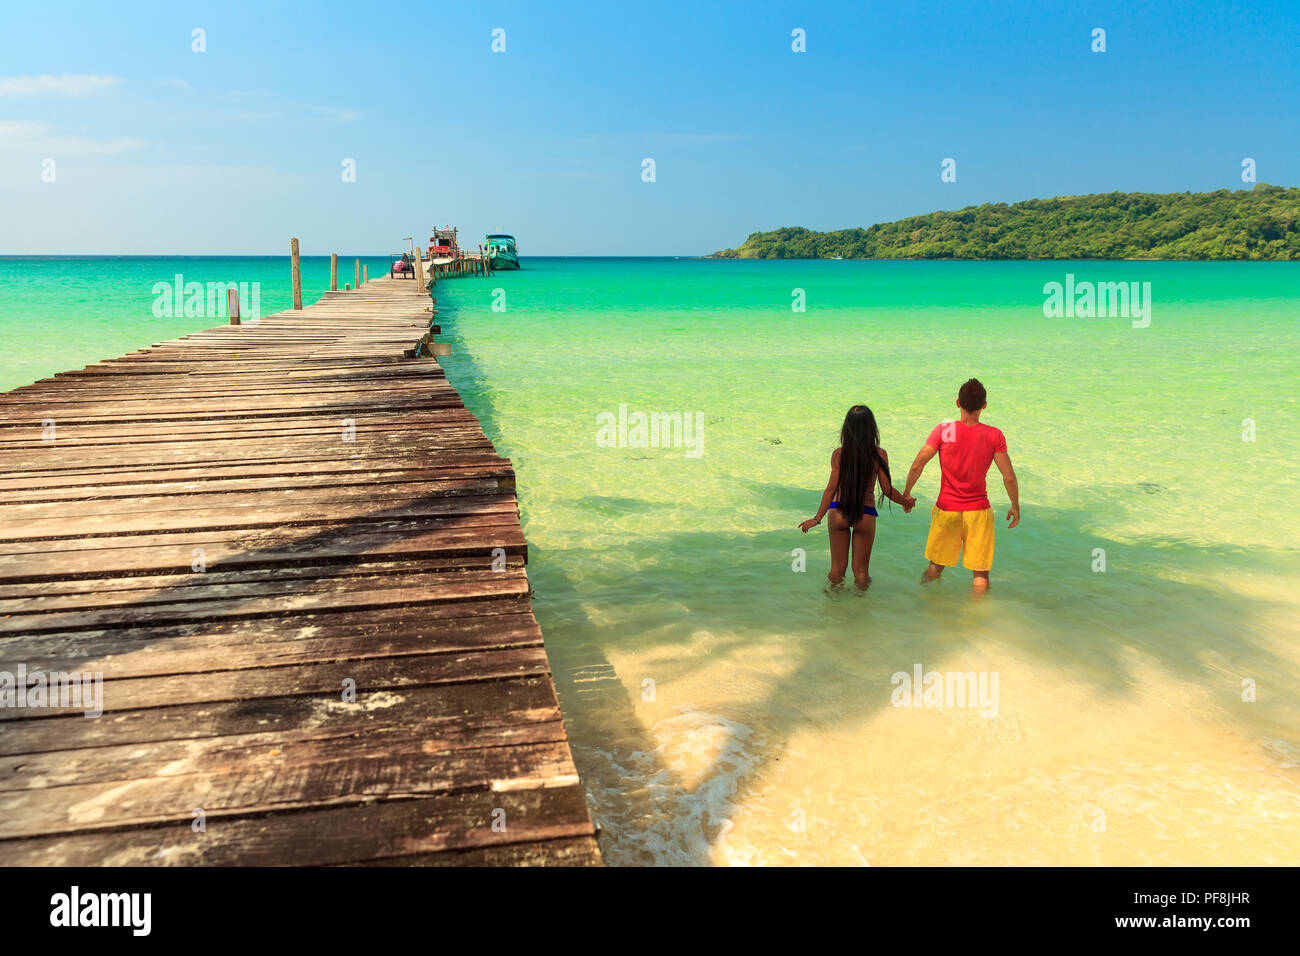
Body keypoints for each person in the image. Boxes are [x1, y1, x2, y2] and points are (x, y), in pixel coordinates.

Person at [902, 378, 1019, 591]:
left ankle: (924, 608)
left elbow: (918, 464)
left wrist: (906, 494)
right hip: (978, 511)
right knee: (980, 576)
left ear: (958, 403)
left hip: (947, 509)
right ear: (984, 405)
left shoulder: (944, 430)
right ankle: (976, 620)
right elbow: (1008, 476)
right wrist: (1015, 505)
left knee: (934, 568)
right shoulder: (994, 435)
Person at [800, 405, 915, 591]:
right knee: (861, 573)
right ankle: (860, 611)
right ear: (872, 428)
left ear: (846, 428)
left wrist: (817, 518)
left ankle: (833, 607)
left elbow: (831, 489)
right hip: (866, 514)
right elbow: (887, 490)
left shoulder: (839, 455)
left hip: (838, 511)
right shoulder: (879, 455)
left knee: (836, 571)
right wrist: (906, 502)